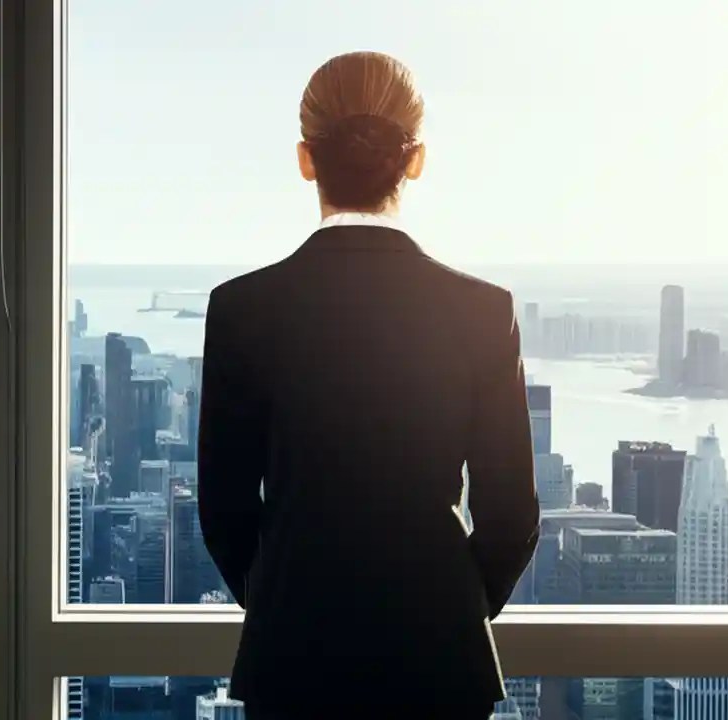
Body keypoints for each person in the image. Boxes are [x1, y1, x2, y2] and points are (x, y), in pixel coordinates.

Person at [197, 50, 540, 719]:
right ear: (415, 160)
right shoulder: (482, 310)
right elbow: (512, 517)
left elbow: (224, 513)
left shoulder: (243, 308)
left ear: (305, 159)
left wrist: (287, 607)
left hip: (292, 664)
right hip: (440, 665)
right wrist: (447, 611)